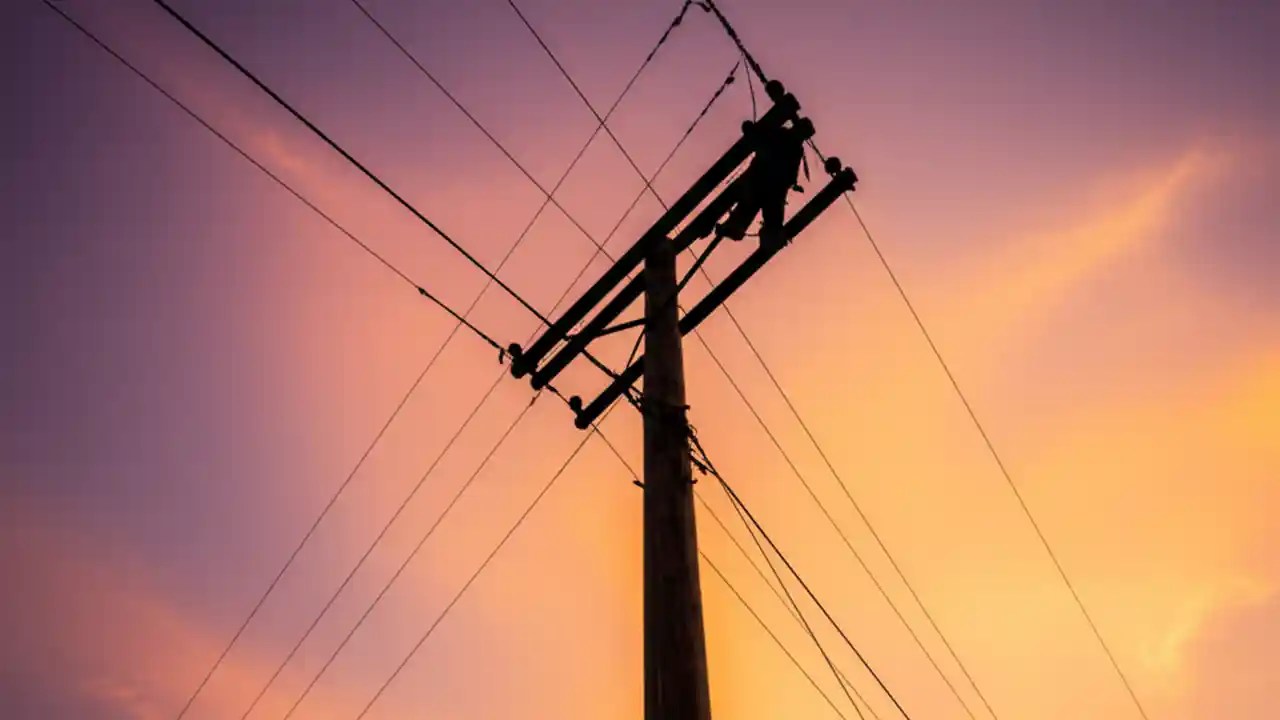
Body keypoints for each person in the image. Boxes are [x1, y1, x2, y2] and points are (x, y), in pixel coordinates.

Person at [716, 115, 811, 248]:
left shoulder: (794, 148)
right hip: (761, 182)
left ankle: (766, 235)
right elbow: (761, 141)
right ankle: (737, 229)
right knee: (751, 207)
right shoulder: (781, 136)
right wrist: (751, 131)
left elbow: (790, 174)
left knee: (763, 211)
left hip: (769, 187)